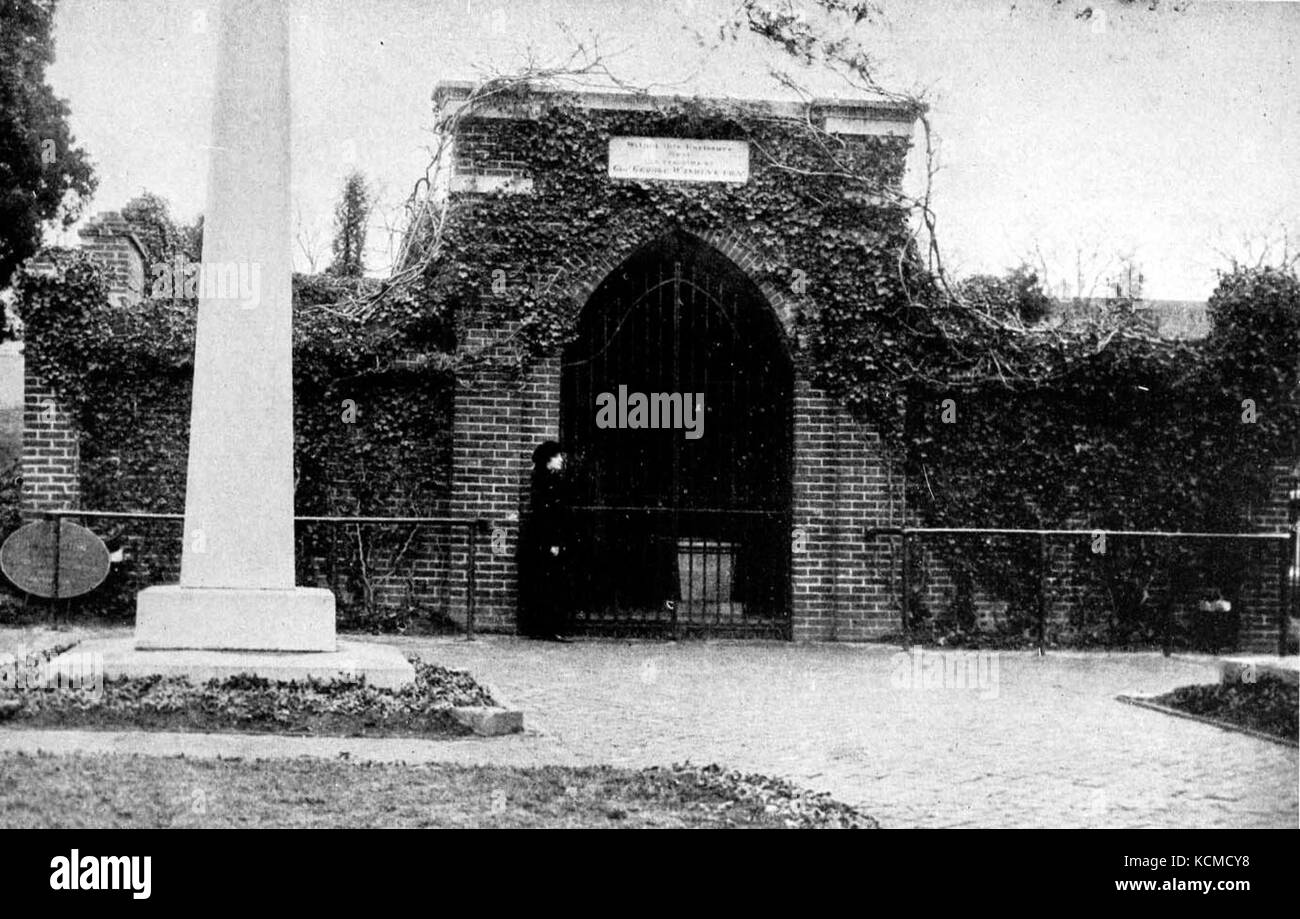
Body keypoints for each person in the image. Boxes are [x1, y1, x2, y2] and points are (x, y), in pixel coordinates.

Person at [517, 441, 573, 641]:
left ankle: (542, 627)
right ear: (548, 460)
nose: (561, 460)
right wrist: (554, 542)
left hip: (540, 539)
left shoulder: (543, 479)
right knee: (550, 583)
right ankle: (549, 628)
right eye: (557, 457)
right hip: (545, 540)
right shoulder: (546, 482)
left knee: (544, 582)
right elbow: (547, 515)